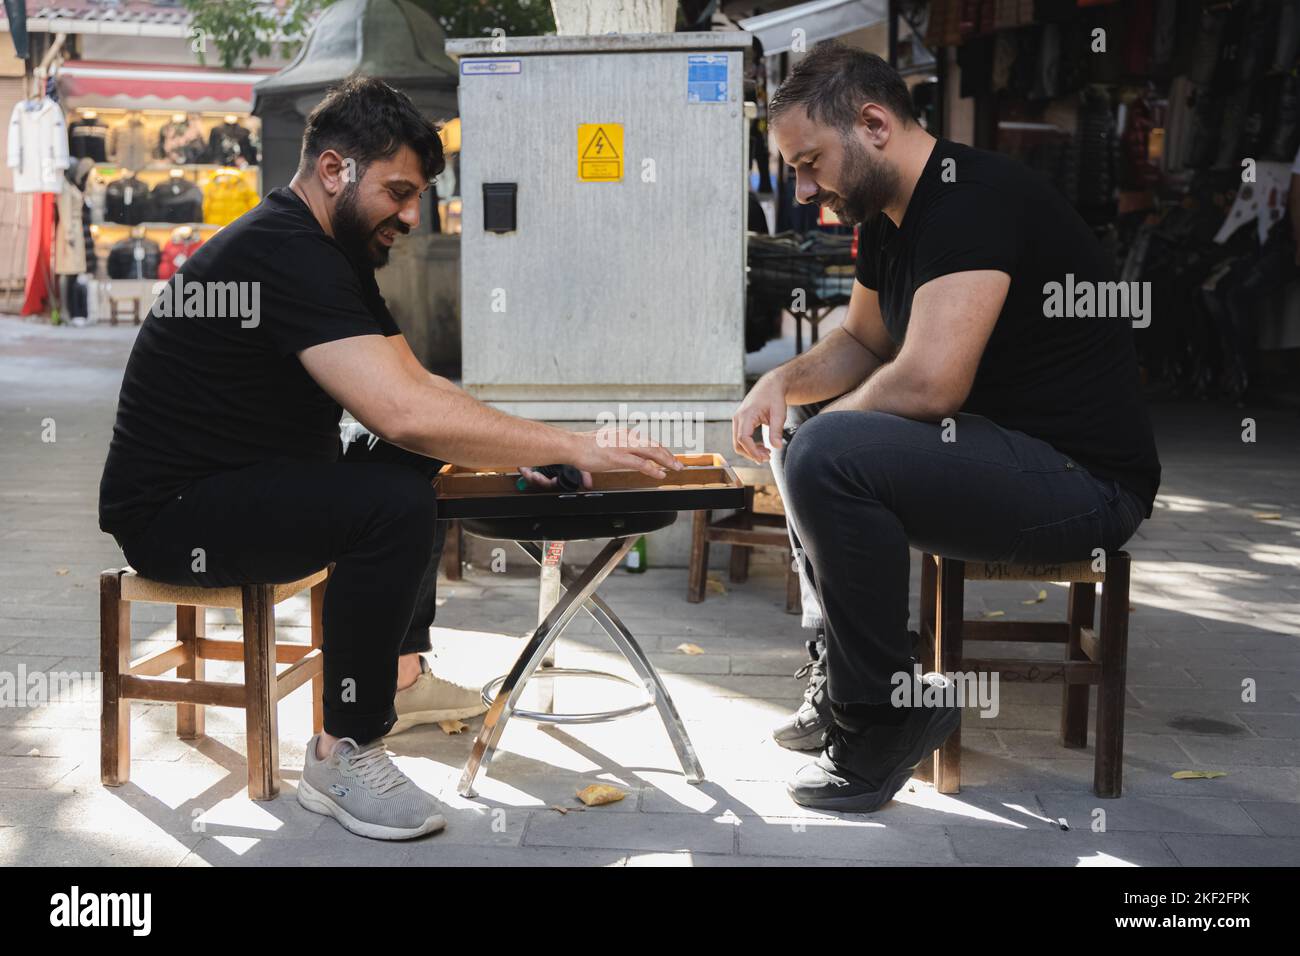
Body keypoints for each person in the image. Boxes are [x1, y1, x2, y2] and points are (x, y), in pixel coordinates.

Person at [98, 76, 680, 841]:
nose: (412, 214)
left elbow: (415, 388)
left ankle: (400, 679)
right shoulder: (286, 252)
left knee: (409, 463)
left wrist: (524, 448)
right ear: (335, 170)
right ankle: (342, 751)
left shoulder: (324, 249)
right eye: (399, 191)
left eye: (418, 196)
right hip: (175, 512)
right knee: (390, 502)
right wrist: (575, 446)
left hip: (246, 482)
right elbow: (399, 408)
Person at [732, 43, 1161, 813]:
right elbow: (863, 342)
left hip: (1083, 484)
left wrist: (818, 446)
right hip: (1000, 457)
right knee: (812, 436)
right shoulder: (888, 213)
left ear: (873, 124)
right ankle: (846, 680)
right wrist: (780, 384)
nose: (802, 191)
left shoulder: (969, 199)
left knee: (828, 453)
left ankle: (882, 718)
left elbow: (930, 382)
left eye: (809, 162)